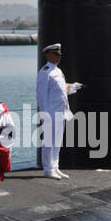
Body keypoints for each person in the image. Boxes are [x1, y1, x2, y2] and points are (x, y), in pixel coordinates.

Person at [35, 43, 81, 180]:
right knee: (49, 141)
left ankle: (55, 166)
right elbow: (41, 95)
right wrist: (44, 113)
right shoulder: (45, 72)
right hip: (51, 112)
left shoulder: (58, 71)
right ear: (48, 55)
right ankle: (48, 169)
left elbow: (61, 90)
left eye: (59, 55)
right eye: (56, 55)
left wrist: (72, 87)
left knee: (57, 141)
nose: (58, 57)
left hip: (61, 111)